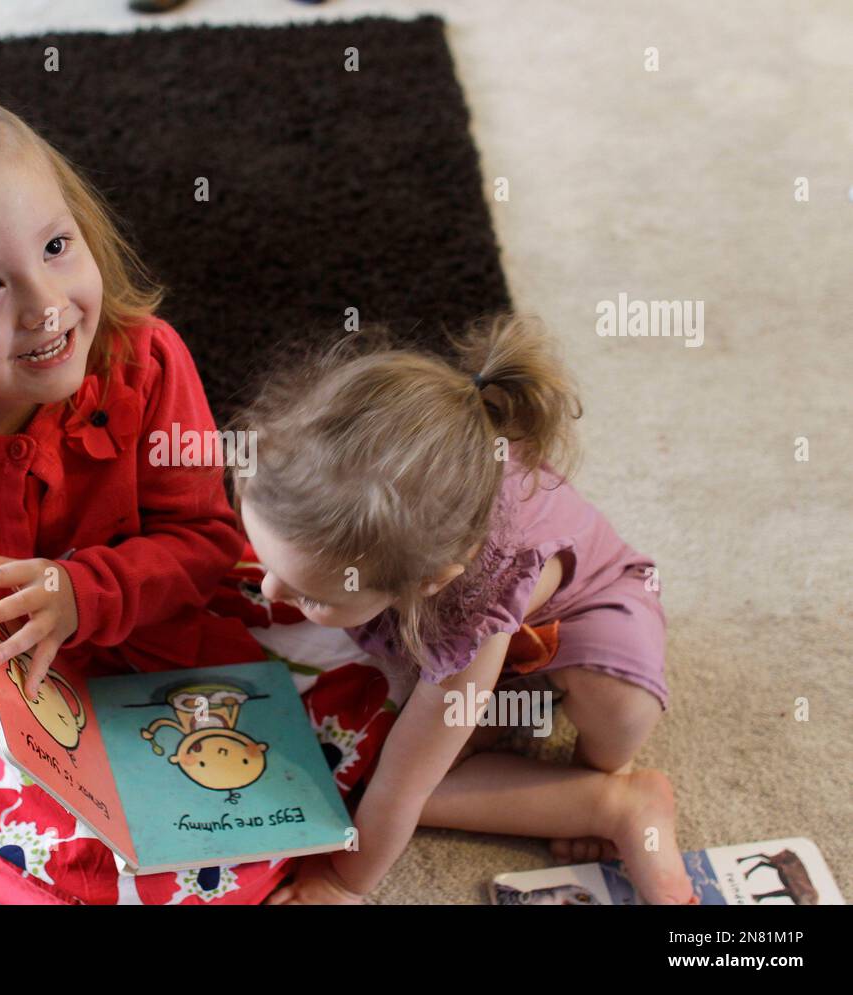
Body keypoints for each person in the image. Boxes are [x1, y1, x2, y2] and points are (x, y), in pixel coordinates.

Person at [0, 83, 396, 904]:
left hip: (152, 636)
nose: (46, 306)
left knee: (345, 698)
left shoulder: (143, 364)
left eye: (56, 246)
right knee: (84, 855)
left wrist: (82, 593)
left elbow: (204, 539)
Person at [228, 316, 699, 905]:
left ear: (426, 584)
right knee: (375, 777)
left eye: (310, 592)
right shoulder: (369, 504)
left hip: (591, 612)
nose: (270, 592)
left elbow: (404, 785)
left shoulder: (468, 613)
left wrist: (341, 881)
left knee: (615, 709)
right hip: (462, 621)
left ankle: (612, 795)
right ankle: (561, 779)